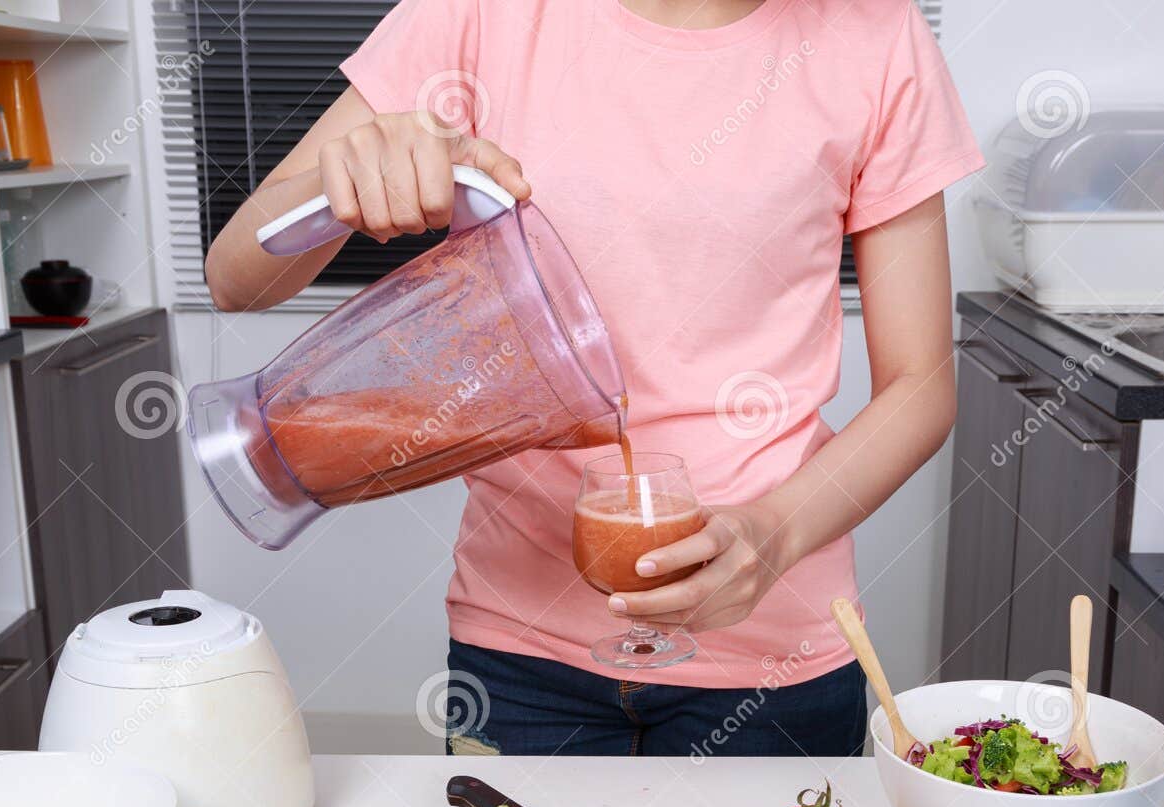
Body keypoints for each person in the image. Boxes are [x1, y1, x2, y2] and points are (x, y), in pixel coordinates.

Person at [205, 0, 983, 758]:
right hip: (520, 652)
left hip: (776, 654)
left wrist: (770, 536)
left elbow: (920, 385)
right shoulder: (477, 14)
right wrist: (346, 182)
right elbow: (236, 278)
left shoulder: (877, 33)